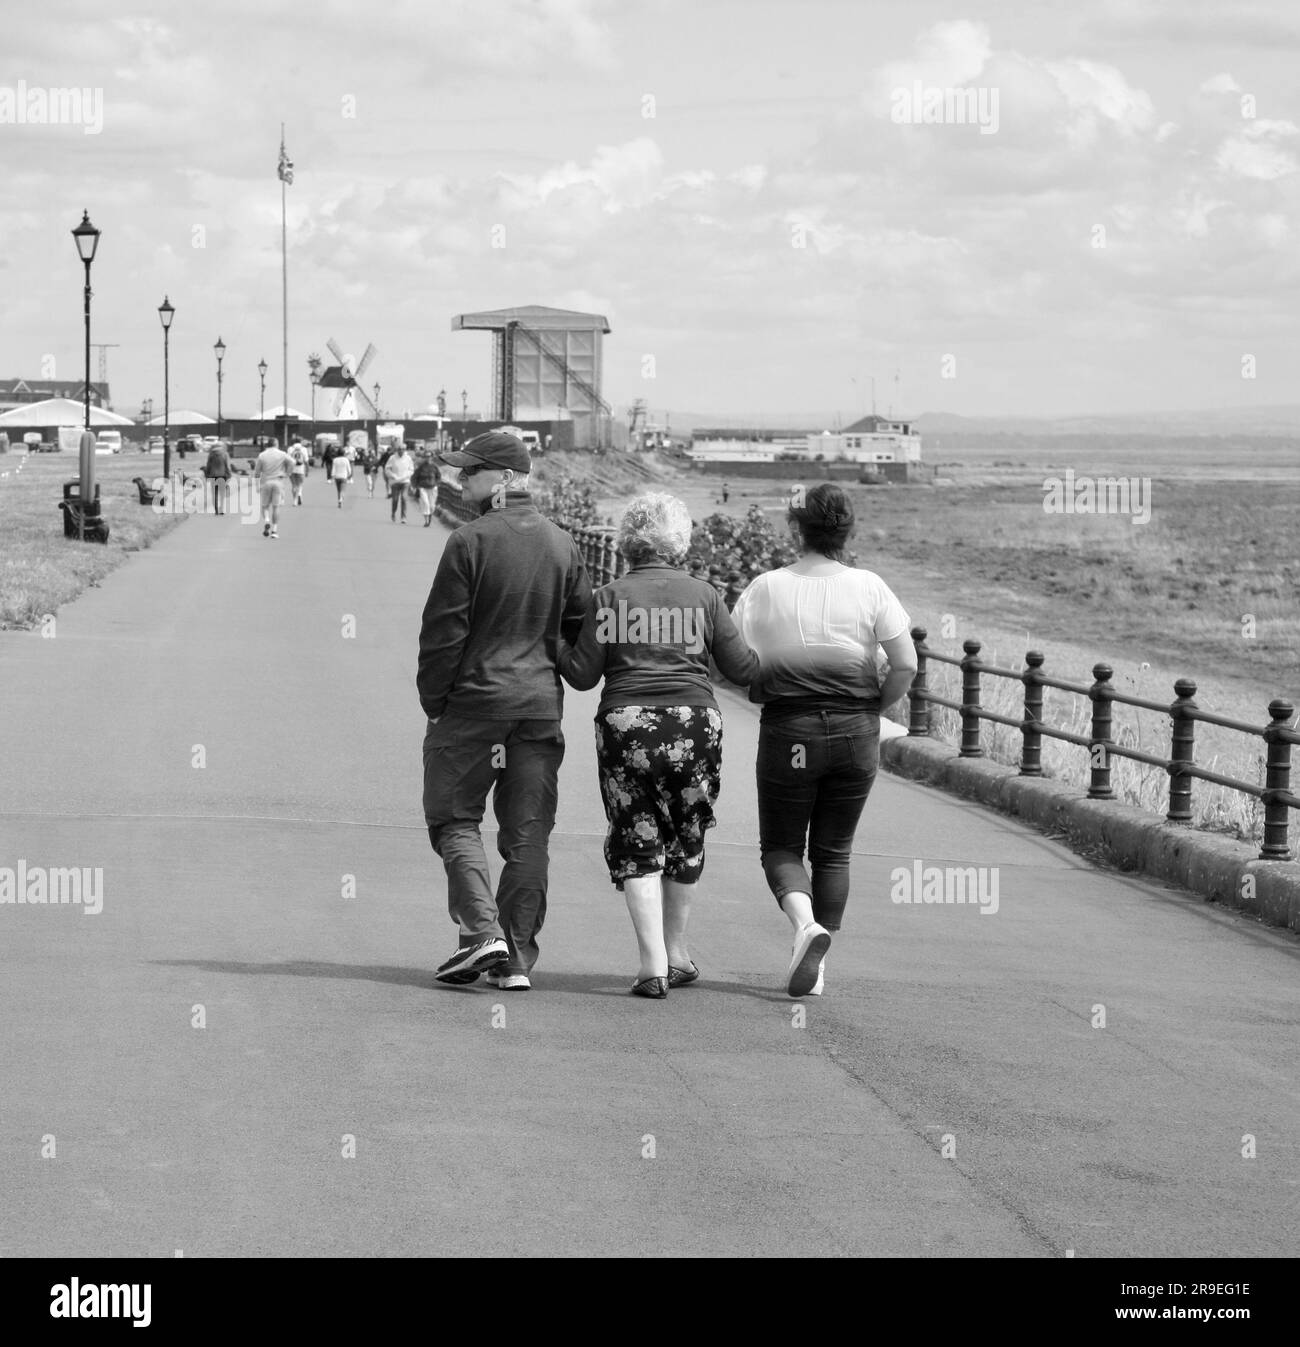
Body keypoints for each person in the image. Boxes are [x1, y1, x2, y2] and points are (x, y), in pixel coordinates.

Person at [559, 493, 758, 998]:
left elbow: (582, 676)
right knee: (687, 832)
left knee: (636, 834)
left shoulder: (608, 598)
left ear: (627, 542)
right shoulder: (705, 596)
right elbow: (743, 670)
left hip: (626, 724)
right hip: (696, 724)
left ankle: (652, 965)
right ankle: (679, 954)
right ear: (679, 541)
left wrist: (555, 641)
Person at [418, 431, 591, 990]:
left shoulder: (468, 542)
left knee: (454, 818)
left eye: (470, 472)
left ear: (507, 478)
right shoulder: (564, 545)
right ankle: (515, 961)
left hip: (473, 706)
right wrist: (546, 662)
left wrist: (435, 702)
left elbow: (444, 635)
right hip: (539, 710)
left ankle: (482, 933)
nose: (460, 480)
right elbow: (580, 630)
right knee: (528, 834)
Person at [731, 483, 916, 998]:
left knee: (782, 845)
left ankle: (804, 927)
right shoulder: (870, 586)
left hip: (790, 727)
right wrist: (875, 707)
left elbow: (731, 655)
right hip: (857, 731)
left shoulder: (766, 587)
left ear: (797, 528)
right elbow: (906, 663)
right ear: (848, 531)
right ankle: (819, 962)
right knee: (834, 852)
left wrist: (759, 683)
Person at [253, 437, 293, 539]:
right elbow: (292, 462)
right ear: (276, 444)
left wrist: (257, 485)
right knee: (276, 507)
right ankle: (274, 531)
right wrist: (287, 473)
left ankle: (266, 520)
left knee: (265, 506)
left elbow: (257, 472)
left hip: (266, 481)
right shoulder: (282, 454)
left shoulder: (262, 455)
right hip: (278, 481)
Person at [384, 441, 414, 523]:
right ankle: (393, 512)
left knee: (404, 498)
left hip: (405, 481)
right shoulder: (392, 458)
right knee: (395, 500)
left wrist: (406, 475)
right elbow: (387, 469)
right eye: (399, 449)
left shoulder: (408, 458)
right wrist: (392, 475)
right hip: (395, 481)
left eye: (403, 449)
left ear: (405, 450)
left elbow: (411, 470)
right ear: (397, 450)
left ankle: (403, 517)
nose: (401, 450)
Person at [203, 440, 232, 515]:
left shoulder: (211, 454)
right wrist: (229, 474)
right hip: (222, 475)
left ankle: (216, 509)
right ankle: (221, 509)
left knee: (214, 493)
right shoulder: (225, 454)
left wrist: (207, 474)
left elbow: (208, 465)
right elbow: (227, 465)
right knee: (222, 493)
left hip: (213, 475)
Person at [412, 451, 438, 527]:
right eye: (426, 456)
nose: (428, 458)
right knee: (425, 503)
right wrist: (415, 486)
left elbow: (438, 476)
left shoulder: (434, 466)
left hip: (432, 488)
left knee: (432, 506)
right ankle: (426, 521)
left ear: (432, 457)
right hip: (423, 487)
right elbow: (414, 477)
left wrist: (436, 484)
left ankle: (430, 516)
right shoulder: (421, 467)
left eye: (429, 456)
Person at [288, 440, 308, 506]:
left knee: (294, 485)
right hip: (301, 469)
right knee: (300, 484)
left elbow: (288, 459)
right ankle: (299, 494)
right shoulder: (304, 449)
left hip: (292, 469)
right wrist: (307, 470)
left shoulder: (290, 449)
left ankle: (294, 501)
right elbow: (306, 460)